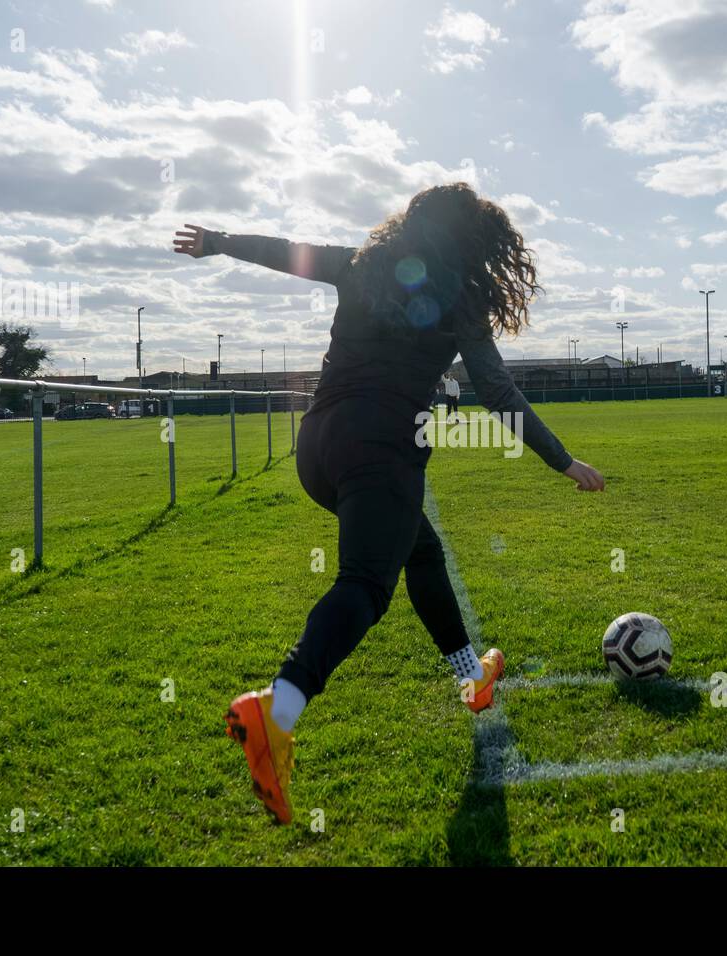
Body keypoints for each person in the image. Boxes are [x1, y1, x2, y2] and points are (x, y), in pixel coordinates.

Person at [173, 183, 604, 824]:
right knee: (366, 586)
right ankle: (278, 709)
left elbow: (286, 251)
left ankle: (472, 677)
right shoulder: (462, 298)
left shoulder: (359, 262)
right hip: (380, 453)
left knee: (420, 550)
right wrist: (563, 460)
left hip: (318, 448)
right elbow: (497, 391)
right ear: (475, 241)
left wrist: (216, 242)